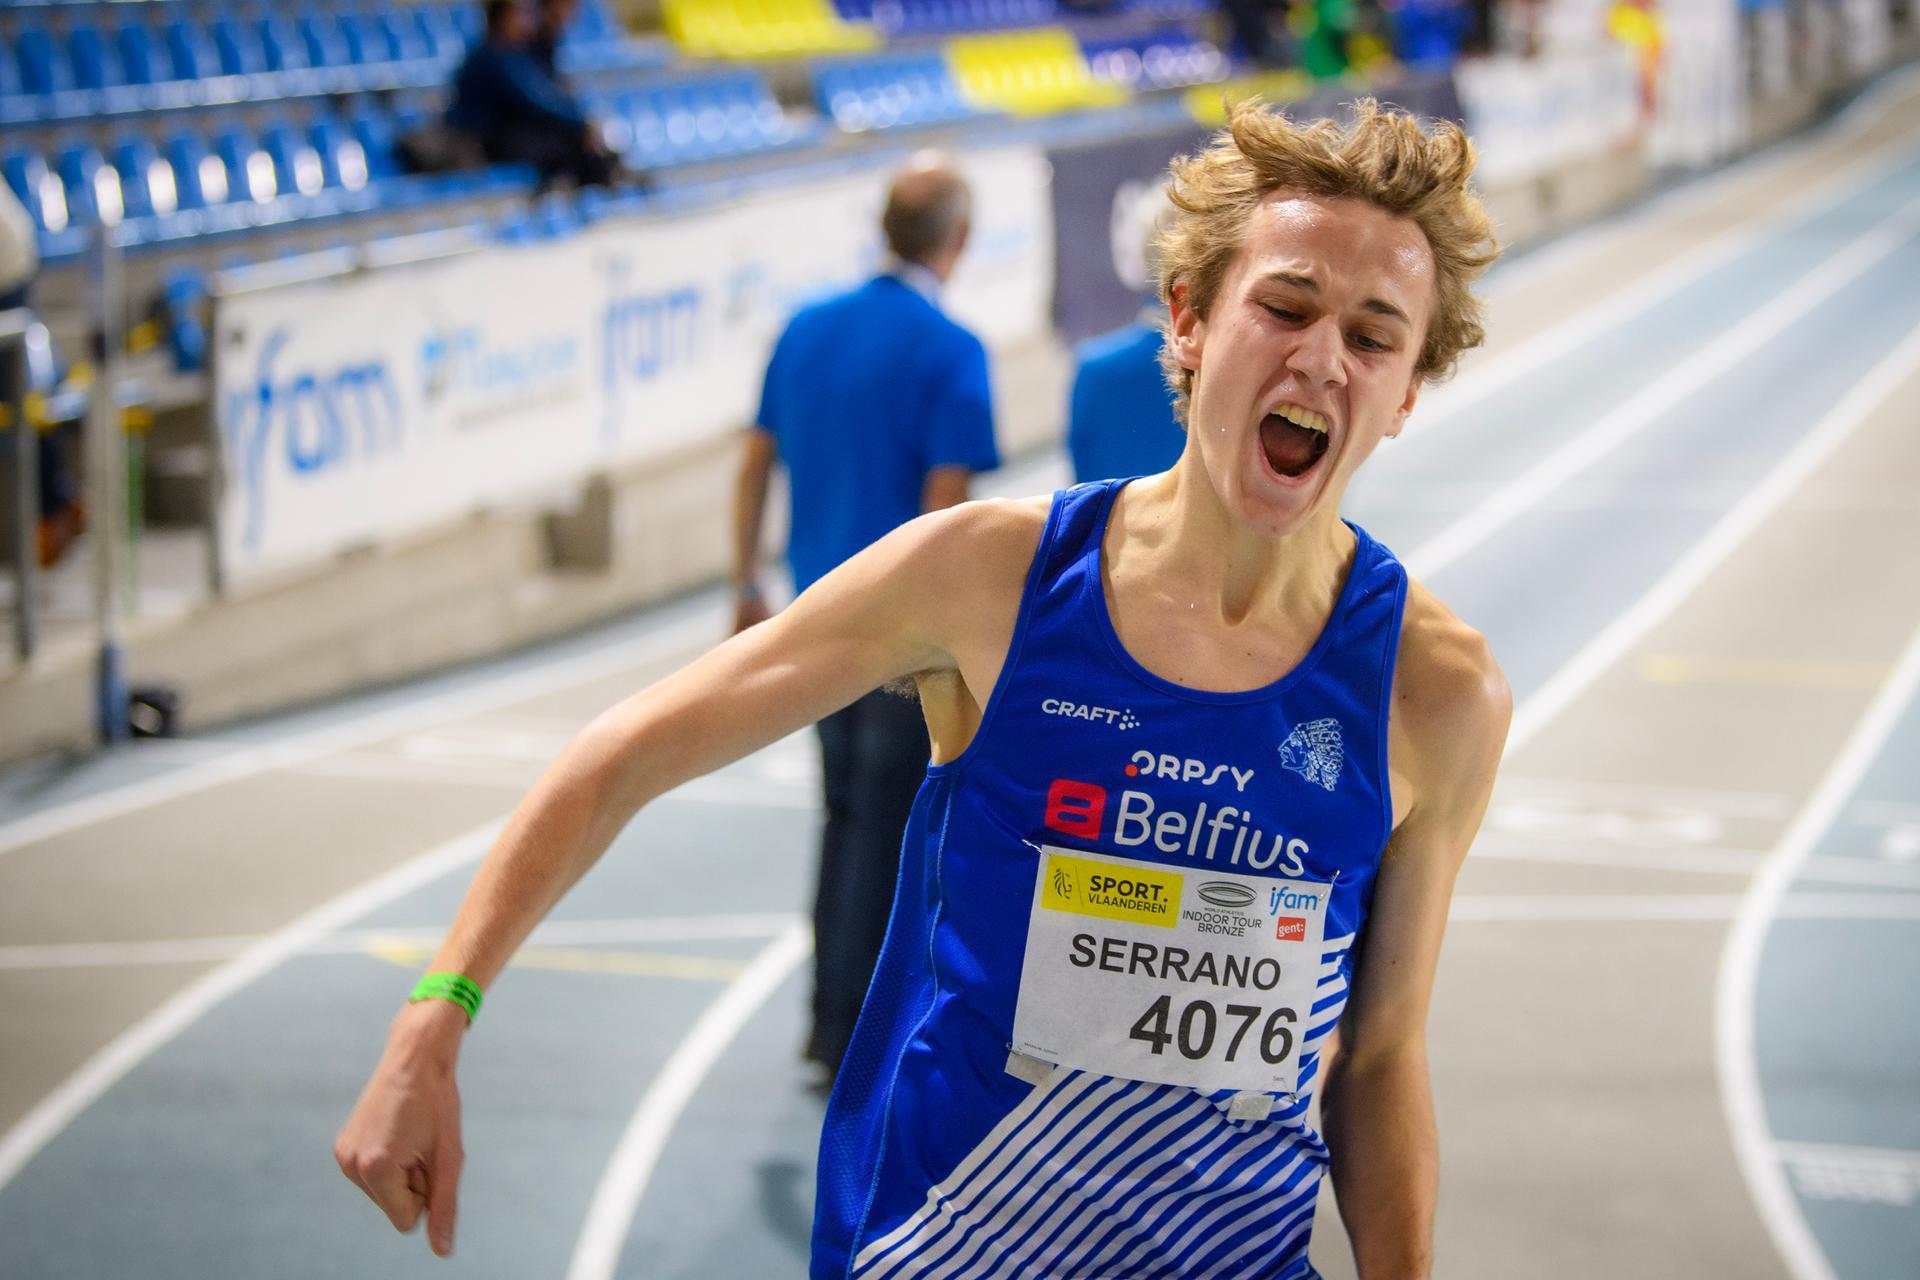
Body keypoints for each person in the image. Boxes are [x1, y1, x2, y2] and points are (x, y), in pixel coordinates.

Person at [335, 99, 1510, 1278]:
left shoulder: (1433, 691)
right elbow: (625, 752)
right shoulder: (990, 579)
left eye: (1372, 335)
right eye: (1286, 304)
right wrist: (429, 1019)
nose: (1318, 357)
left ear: (1407, 390)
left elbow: (1378, 1059)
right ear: (1190, 317)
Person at [734, 153, 1000, 1079]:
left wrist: (745, 581)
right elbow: (945, 511)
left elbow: (754, 459)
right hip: (899, 638)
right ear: (957, 241)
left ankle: (824, 1020)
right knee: (894, 834)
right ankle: (858, 1035)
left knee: (843, 816)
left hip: (809, 619)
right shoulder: (950, 349)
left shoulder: (803, 328)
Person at [444, 0, 619, 190]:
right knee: (562, 144)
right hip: (485, 144)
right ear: (504, 16)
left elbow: (549, 92)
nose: (529, 22)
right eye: (522, 14)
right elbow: (534, 100)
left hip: (507, 137)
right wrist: (582, 124)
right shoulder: (493, 55)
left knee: (574, 141)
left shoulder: (518, 52)